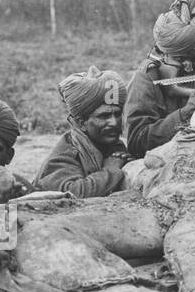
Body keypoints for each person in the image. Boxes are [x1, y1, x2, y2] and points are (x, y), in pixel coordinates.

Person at [123, 0, 195, 157]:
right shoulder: (146, 79)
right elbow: (136, 142)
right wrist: (186, 112)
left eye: (194, 60)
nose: (189, 67)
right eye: (181, 60)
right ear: (161, 55)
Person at [35, 66, 131, 198]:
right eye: (104, 116)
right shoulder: (65, 155)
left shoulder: (112, 145)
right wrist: (111, 170)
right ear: (81, 123)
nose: (114, 122)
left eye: (118, 114)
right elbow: (73, 193)